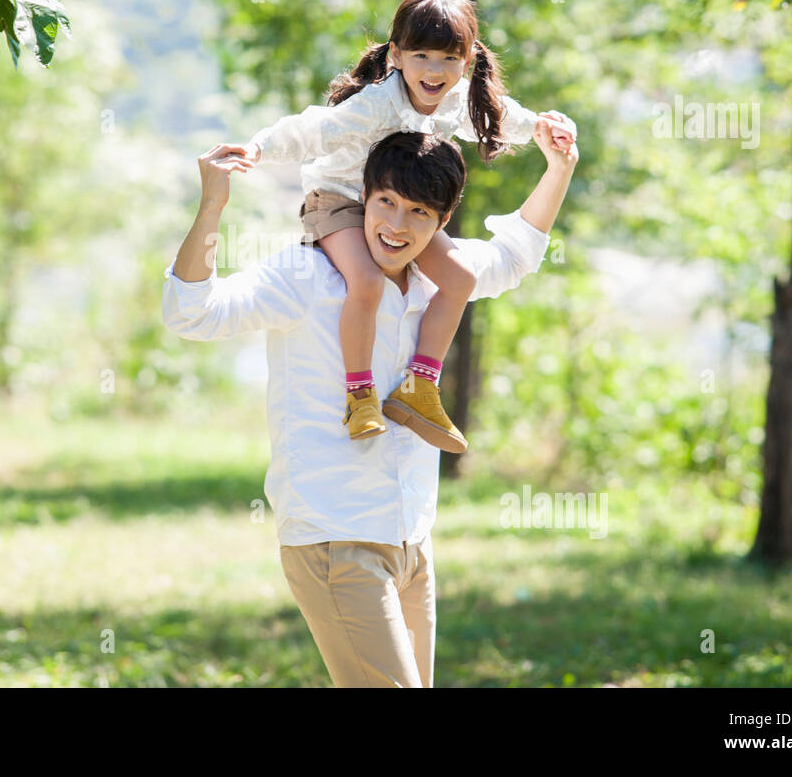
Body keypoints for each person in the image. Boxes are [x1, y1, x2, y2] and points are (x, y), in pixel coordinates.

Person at [162, 125, 578, 687]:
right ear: (364, 196)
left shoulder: (435, 286)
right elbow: (192, 313)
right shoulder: (307, 275)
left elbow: (513, 256)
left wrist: (558, 169)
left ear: (440, 224)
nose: (397, 226)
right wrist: (212, 204)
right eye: (386, 203)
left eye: (419, 214)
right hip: (337, 539)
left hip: (411, 541)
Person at [237, 0, 576, 453]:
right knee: (368, 281)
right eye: (421, 56)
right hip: (338, 200)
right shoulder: (379, 103)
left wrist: (545, 127)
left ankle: (420, 386)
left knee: (458, 278)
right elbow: (317, 128)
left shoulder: (456, 99)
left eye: (448, 60)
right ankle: (360, 396)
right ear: (396, 55)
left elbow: (500, 115)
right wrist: (260, 147)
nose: (434, 72)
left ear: (468, 60)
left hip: (396, 207)